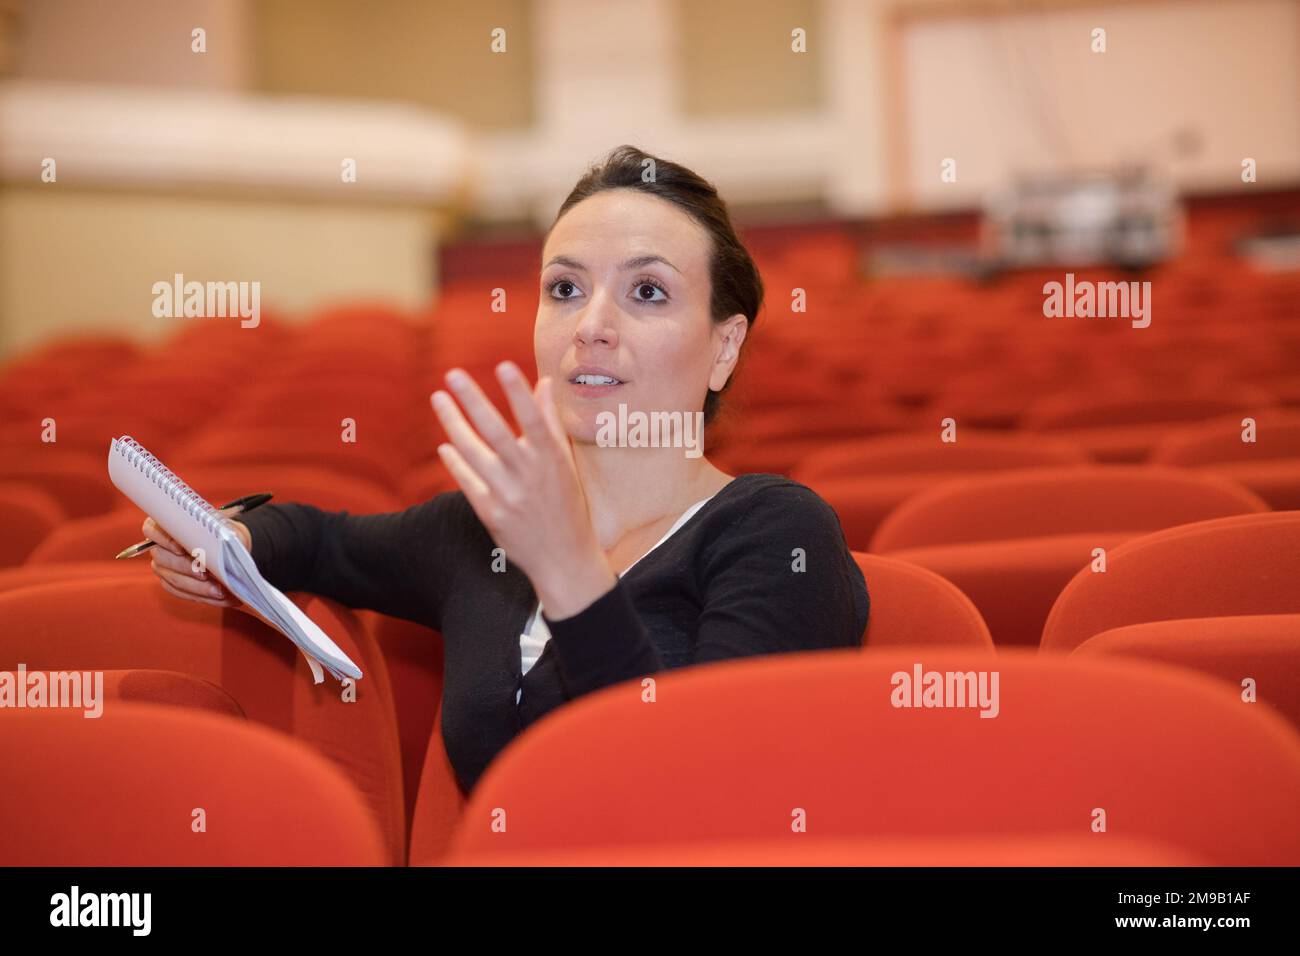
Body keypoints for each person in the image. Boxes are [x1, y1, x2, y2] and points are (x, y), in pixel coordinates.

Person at [144, 144, 870, 795]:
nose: (591, 326)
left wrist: (569, 573)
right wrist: (229, 539)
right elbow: (320, 540)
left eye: (647, 292)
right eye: (565, 289)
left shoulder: (776, 532)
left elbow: (711, 793)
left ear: (725, 348)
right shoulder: (485, 527)